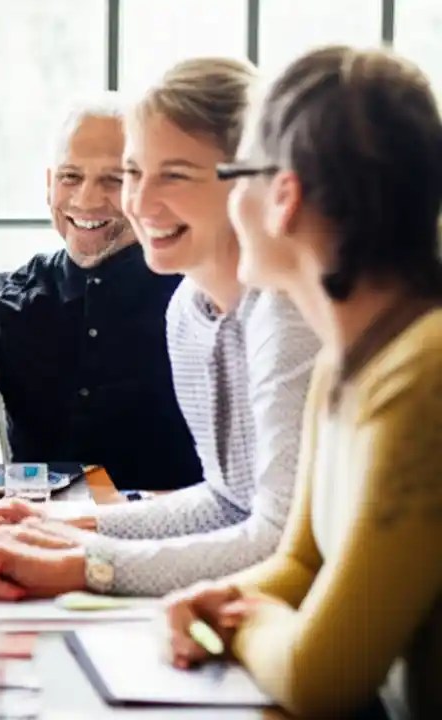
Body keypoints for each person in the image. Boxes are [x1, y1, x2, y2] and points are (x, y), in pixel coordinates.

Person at [0, 59, 321, 600]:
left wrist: (88, 566)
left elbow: (280, 540)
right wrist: (67, 528)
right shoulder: (189, 311)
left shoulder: (288, 315)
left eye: (173, 175)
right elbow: (225, 501)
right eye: (135, 172)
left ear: (254, 179)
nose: (140, 202)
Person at [164, 46, 442, 719]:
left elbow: (323, 677)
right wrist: (217, 598)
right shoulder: (341, 364)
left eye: (236, 176)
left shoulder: (424, 378)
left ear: (282, 196)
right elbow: (301, 562)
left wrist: (241, 622)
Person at [0, 96, 201, 491]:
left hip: (175, 537)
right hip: (35, 533)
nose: (86, 200)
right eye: (71, 177)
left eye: (114, 180)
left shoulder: (203, 298)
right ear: (49, 185)